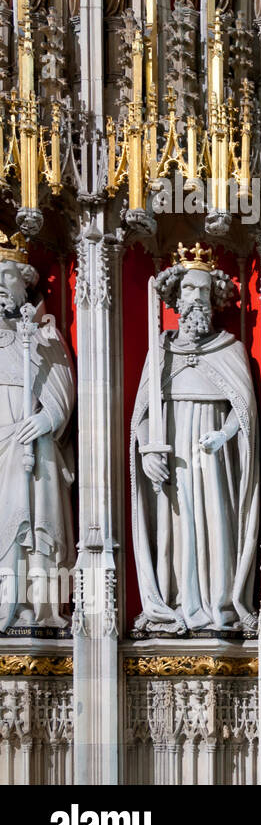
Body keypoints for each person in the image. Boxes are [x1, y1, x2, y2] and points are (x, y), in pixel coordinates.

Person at [130, 244, 260, 633]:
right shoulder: (161, 352)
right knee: (176, 528)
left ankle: (219, 603)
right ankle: (176, 602)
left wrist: (224, 435)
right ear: (175, 297)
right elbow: (142, 414)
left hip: (213, 456)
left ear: (215, 297)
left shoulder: (230, 349)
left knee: (216, 523)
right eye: (190, 290)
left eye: (204, 291)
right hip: (171, 452)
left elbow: (245, 410)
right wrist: (145, 450)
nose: (197, 299)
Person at [0, 232, 74, 630]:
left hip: (30, 447)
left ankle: (31, 607)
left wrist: (48, 419)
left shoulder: (43, 338)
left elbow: (62, 395)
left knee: (30, 526)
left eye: (6, 274)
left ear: (24, 283)